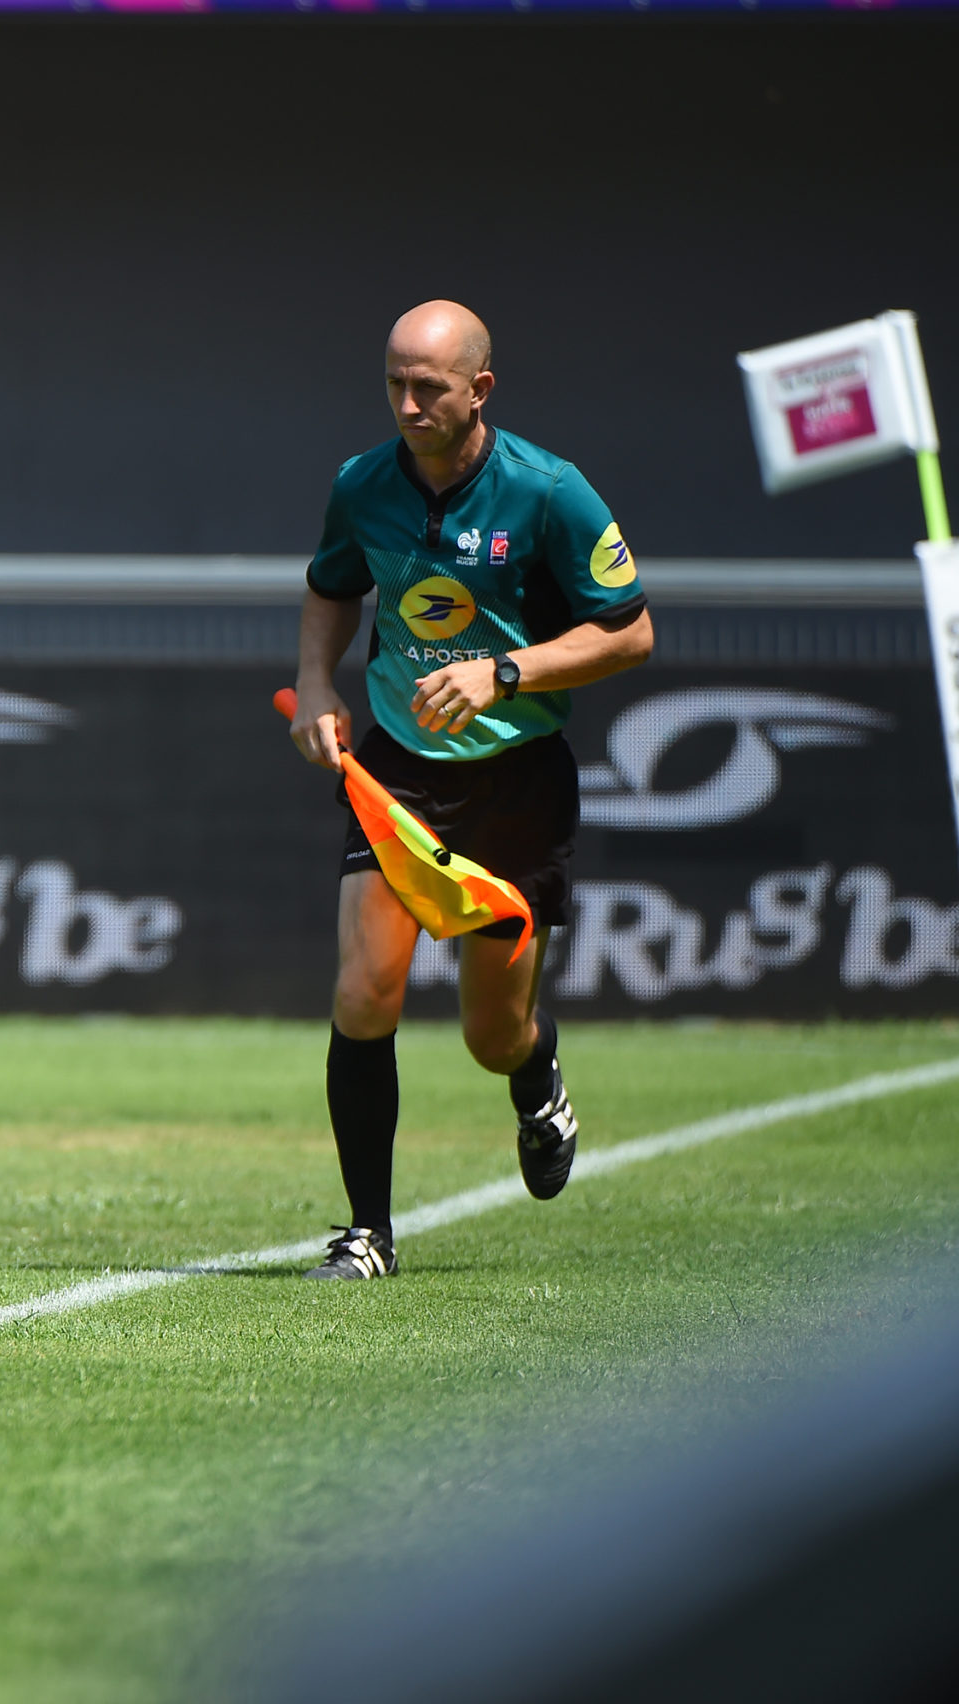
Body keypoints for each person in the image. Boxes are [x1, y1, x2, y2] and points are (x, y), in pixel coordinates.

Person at [288, 300, 653, 1279]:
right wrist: (316, 685)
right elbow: (332, 586)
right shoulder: (362, 485)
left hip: (519, 781)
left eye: (430, 387)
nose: (408, 405)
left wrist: (506, 671)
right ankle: (367, 1233)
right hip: (398, 770)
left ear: (480, 389)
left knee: (491, 1034)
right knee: (364, 990)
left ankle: (535, 1074)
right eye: (395, 384)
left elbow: (630, 632)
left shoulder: (549, 491)